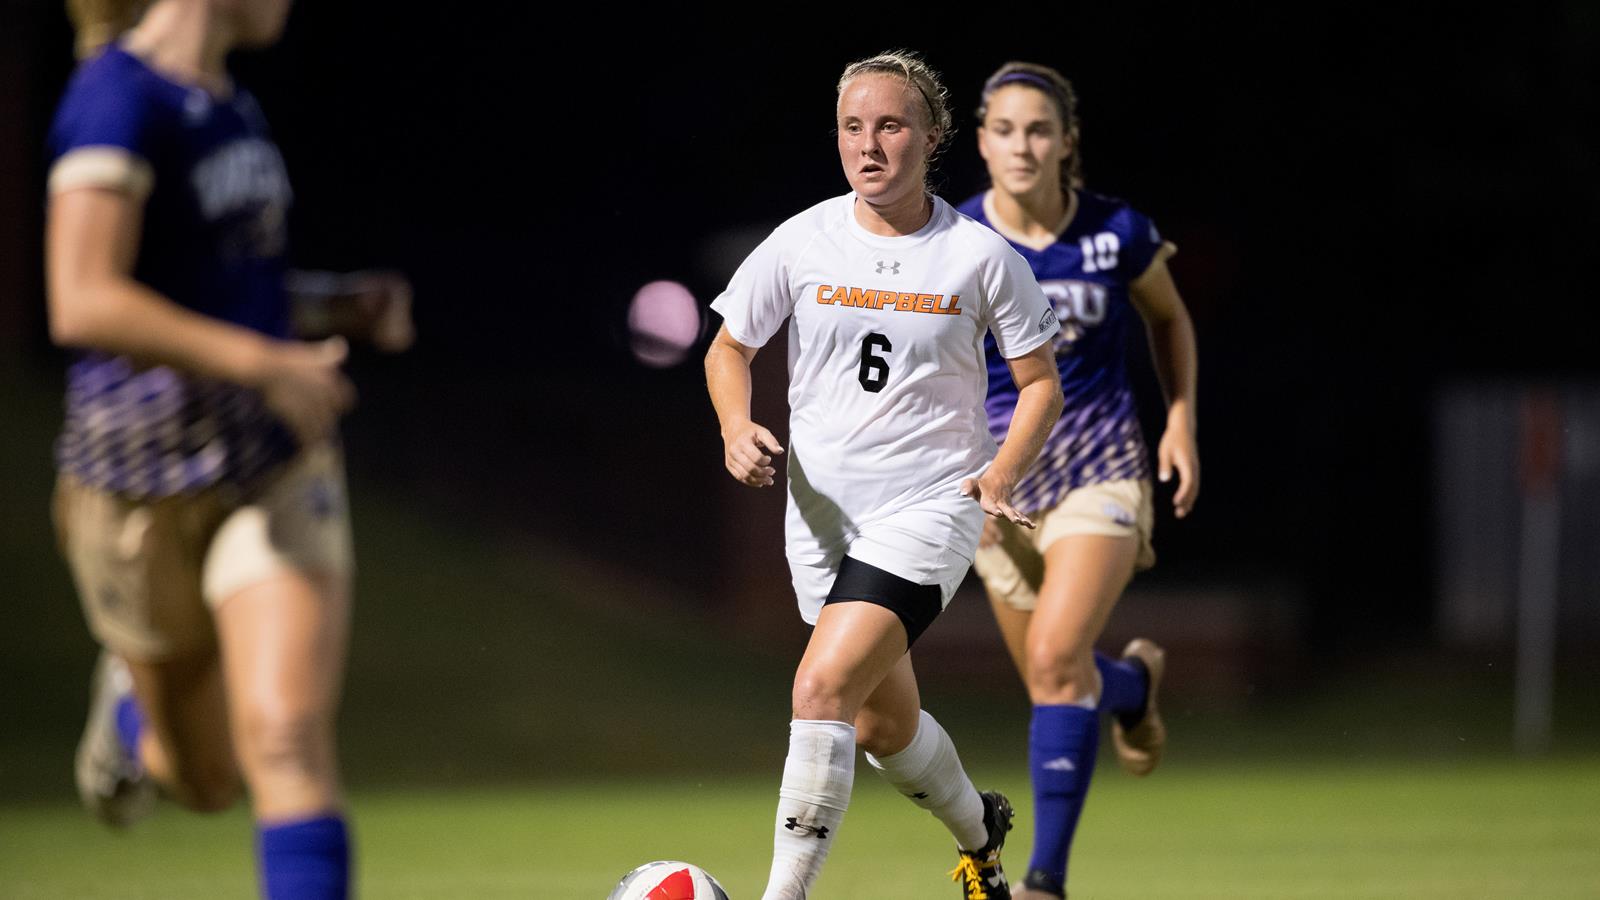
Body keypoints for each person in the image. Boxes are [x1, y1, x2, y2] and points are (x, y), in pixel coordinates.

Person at [46, 2, 411, 897]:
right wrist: (265, 362)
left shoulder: (230, 103)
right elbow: (83, 298)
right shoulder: (115, 98)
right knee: (202, 780)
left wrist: (331, 307)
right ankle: (134, 711)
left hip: (269, 466)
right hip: (134, 490)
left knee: (285, 733)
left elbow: (225, 291)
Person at [705, 50, 1065, 900]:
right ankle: (982, 837)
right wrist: (734, 425)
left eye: (890, 126)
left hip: (930, 506)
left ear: (933, 137)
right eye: (852, 127)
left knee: (821, 684)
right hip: (822, 519)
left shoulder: (979, 256)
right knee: (880, 725)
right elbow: (729, 346)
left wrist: (1002, 474)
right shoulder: (802, 239)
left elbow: (1042, 381)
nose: (868, 146)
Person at [957, 61, 1201, 899]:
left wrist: (1180, 419)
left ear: (1066, 142)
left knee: (1061, 662)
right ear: (982, 142)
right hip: (1000, 490)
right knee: (1062, 684)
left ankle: (1043, 883)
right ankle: (1131, 684)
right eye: (1005, 129)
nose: (1022, 145)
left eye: (1039, 129)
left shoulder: (1114, 232)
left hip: (1103, 470)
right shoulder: (951, 239)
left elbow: (1168, 316)